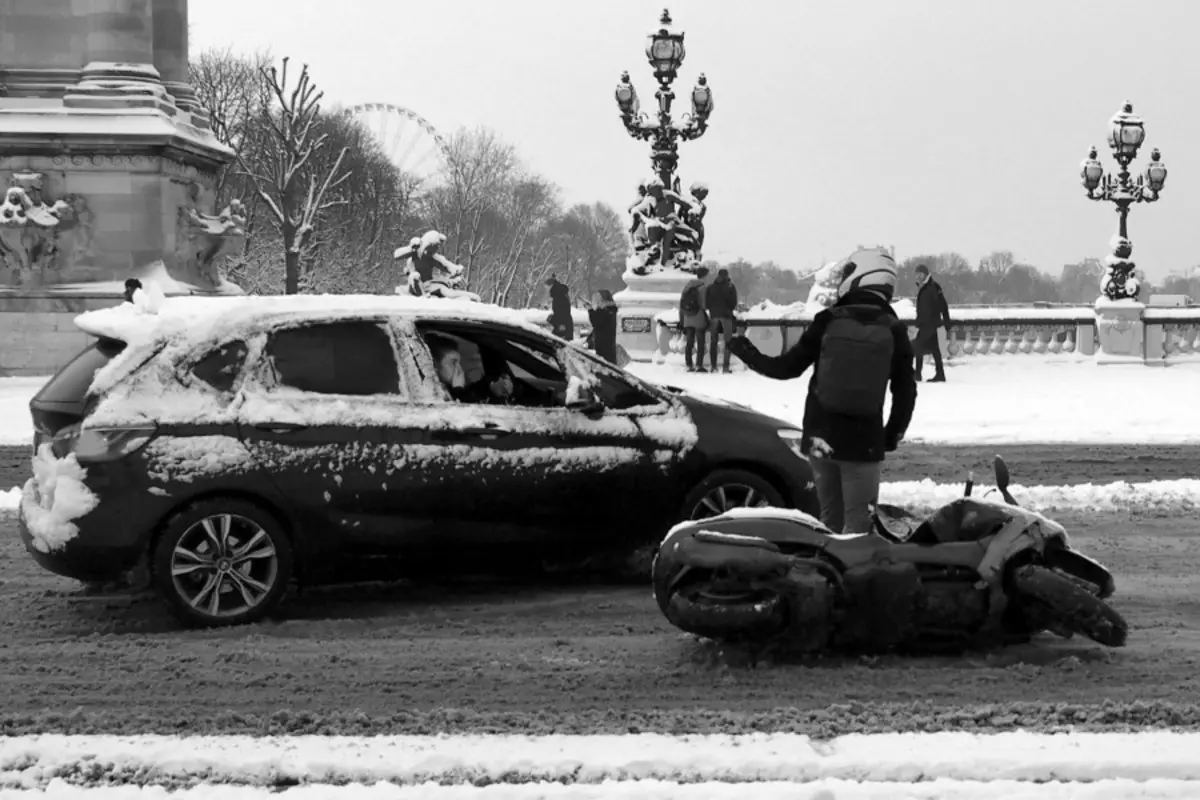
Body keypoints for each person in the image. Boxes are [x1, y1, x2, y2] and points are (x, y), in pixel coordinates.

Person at [727, 249, 917, 534]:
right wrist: (890, 436)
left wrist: (745, 350)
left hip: (820, 436)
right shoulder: (894, 329)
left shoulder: (827, 320)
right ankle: (853, 574)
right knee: (859, 527)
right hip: (864, 443)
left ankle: (826, 572)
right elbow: (905, 393)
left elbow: (785, 368)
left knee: (828, 518)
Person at [914, 263, 952, 382]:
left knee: (918, 348)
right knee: (935, 350)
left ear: (926, 275)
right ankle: (939, 374)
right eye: (917, 274)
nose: (918, 277)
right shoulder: (926, 287)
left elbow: (943, 306)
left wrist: (947, 323)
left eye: (920, 274)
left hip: (929, 324)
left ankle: (918, 374)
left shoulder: (932, 287)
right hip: (928, 323)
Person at [704, 268, 738, 373]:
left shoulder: (710, 287)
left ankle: (713, 367)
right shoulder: (730, 287)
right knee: (728, 342)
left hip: (714, 316)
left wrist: (713, 310)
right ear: (727, 276)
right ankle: (725, 367)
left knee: (713, 342)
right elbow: (733, 303)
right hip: (726, 316)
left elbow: (707, 303)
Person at [679, 266, 710, 372]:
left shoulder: (687, 286)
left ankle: (689, 364)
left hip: (687, 318)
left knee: (689, 342)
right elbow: (704, 304)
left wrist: (682, 320)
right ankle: (699, 365)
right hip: (698, 317)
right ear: (705, 276)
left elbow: (681, 304)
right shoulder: (702, 287)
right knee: (700, 342)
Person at [584, 289, 619, 365]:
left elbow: (596, 322)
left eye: (598, 299)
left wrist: (590, 310)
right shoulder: (608, 309)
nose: (597, 301)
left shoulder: (608, 310)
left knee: (607, 364)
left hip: (605, 344)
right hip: (603, 343)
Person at [545, 275, 574, 340]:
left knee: (553, 345)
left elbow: (562, 314)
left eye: (547, 287)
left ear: (551, 286)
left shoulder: (559, 296)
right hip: (564, 326)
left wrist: (552, 319)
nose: (546, 290)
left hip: (563, 327)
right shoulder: (559, 294)